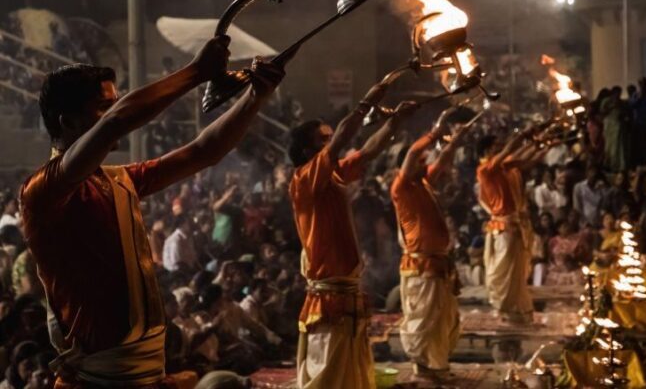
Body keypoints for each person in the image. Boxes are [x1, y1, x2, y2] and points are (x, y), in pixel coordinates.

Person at [18, 37, 284, 388]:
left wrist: (256, 97)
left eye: (114, 104)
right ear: (67, 123)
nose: (115, 112)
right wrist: (194, 73)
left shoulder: (119, 180)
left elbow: (204, 150)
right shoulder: (42, 191)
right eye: (103, 106)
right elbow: (117, 122)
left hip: (147, 373)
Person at [287, 80, 416, 389]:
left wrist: (395, 123)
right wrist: (374, 94)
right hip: (329, 292)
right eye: (324, 139)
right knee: (328, 373)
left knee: (351, 373)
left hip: (346, 289)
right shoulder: (305, 179)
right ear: (308, 150)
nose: (332, 142)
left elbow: (368, 151)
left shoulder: (332, 173)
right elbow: (345, 136)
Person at [390, 109, 474, 380]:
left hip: (438, 264)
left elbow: (445, 160)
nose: (425, 161)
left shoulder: (422, 182)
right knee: (424, 320)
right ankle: (425, 367)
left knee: (442, 319)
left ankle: (436, 366)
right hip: (421, 264)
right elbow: (413, 154)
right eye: (420, 160)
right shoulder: (400, 186)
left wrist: (456, 141)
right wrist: (434, 132)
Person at [476, 128, 546, 323]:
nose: (501, 150)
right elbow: (509, 152)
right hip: (503, 227)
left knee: (516, 274)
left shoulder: (504, 168)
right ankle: (504, 310)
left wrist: (541, 146)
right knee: (503, 273)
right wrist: (524, 136)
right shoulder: (485, 170)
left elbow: (526, 161)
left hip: (515, 225)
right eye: (497, 147)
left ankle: (515, 314)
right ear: (488, 151)